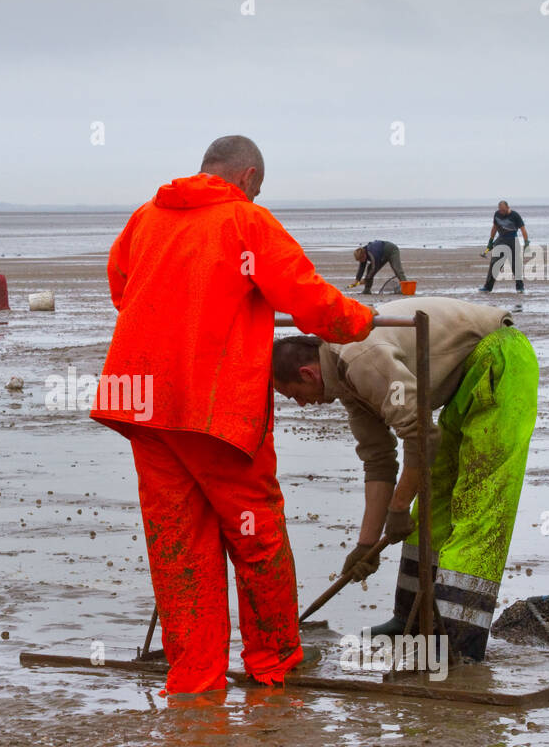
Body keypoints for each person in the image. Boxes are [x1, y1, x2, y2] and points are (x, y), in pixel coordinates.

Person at [90, 135, 375, 695]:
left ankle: (195, 674)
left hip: (143, 402)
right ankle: (273, 661)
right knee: (256, 534)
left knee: (178, 540)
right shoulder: (247, 221)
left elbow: (120, 287)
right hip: (214, 409)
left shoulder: (146, 218)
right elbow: (307, 297)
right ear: (247, 178)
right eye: (258, 187)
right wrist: (360, 321)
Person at [271, 296, 538, 661]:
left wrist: (399, 506)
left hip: (500, 358)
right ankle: (412, 622)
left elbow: (421, 437)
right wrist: (366, 544)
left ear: (307, 374)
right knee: (434, 499)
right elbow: (378, 461)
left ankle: (458, 641)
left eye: (294, 396)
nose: (301, 404)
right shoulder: (345, 380)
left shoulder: (359, 357)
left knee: (480, 502)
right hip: (463, 382)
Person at [480, 200, 530, 293]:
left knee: (516, 265)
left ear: (507, 208)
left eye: (503, 210)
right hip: (501, 240)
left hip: (513, 241)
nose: (502, 212)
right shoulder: (497, 214)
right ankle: (487, 287)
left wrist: (526, 242)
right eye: (500, 210)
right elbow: (494, 227)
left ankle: (520, 288)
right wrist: (490, 241)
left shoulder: (515, 215)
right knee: (494, 264)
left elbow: (523, 229)